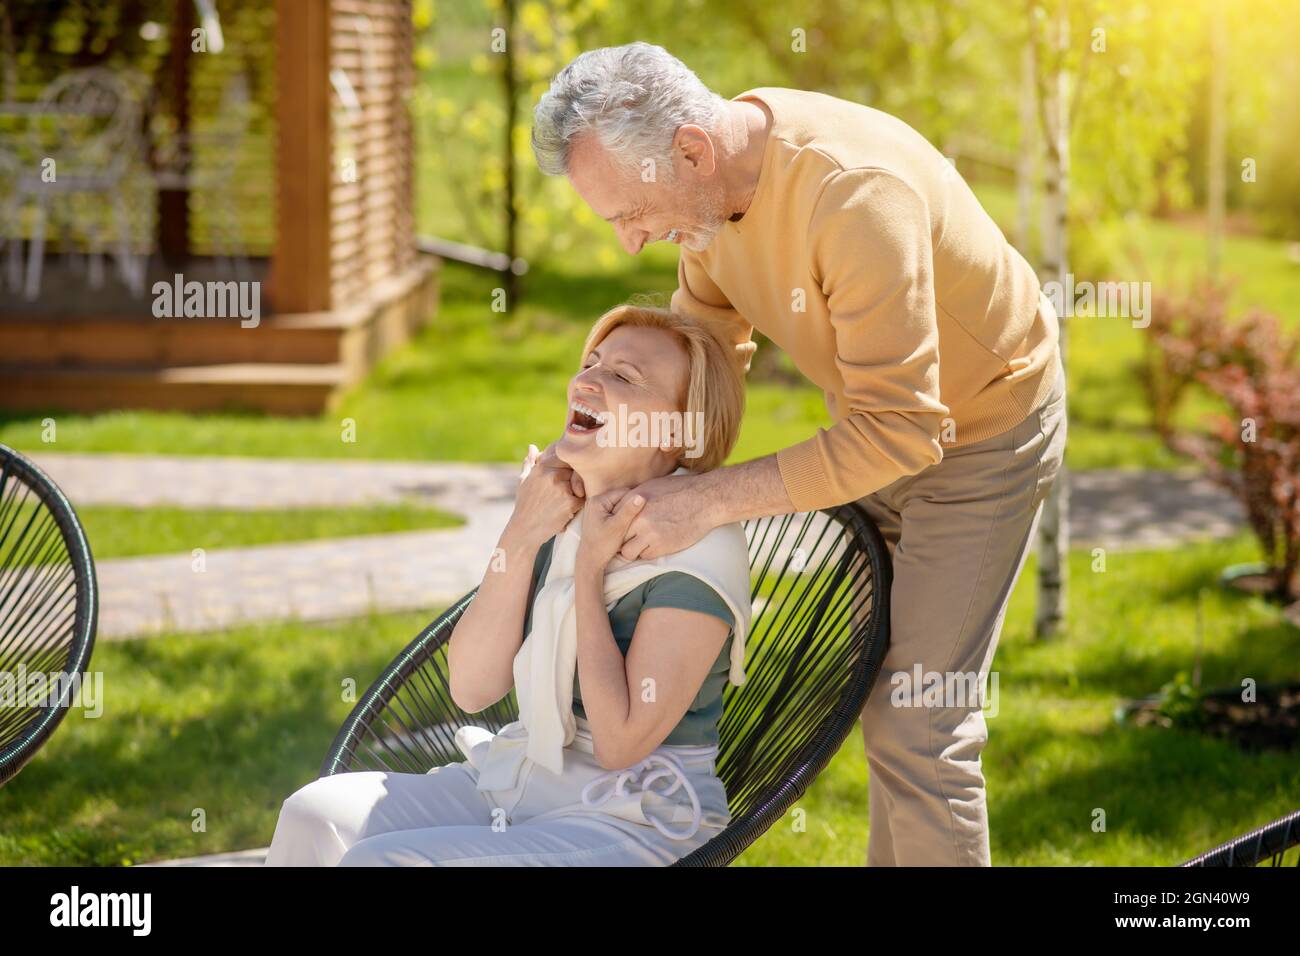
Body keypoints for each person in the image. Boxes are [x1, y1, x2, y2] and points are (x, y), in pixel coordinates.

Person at [531, 42, 1068, 866]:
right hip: (878, 424)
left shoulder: (852, 198)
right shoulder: (710, 194)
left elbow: (903, 429)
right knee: (876, 703)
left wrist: (706, 502)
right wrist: (631, 472)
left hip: (983, 432)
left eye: (630, 213)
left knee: (920, 720)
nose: (634, 243)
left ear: (690, 149)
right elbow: (703, 359)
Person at [264, 304, 753, 866]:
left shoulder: (698, 546)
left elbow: (620, 744)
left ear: (679, 433)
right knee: (314, 815)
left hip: (633, 817)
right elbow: (472, 688)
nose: (587, 380)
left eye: (623, 376)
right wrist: (521, 531)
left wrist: (591, 571)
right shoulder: (565, 507)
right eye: (591, 363)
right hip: (523, 777)